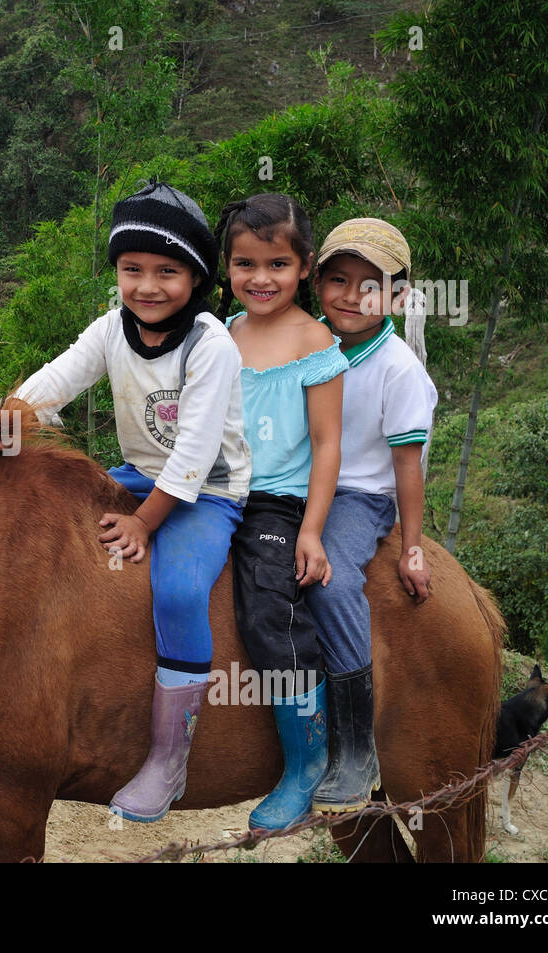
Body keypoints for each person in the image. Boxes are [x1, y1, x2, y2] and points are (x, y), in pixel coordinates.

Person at [0, 182, 250, 822]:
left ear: (198, 277)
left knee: (181, 591)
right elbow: (60, 377)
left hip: (205, 490)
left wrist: (144, 523)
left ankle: (168, 758)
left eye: (167, 271)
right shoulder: (113, 327)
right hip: (137, 471)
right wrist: (9, 416)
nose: (147, 287)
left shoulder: (212, 345)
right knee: (44, 508)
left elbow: (192, 454)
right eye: (132, 270)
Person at [215, 193, 347, 831]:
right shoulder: (224, 332)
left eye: (276, 264)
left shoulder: (313, 338)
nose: (259, 279)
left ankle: (306, 763)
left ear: (304, 267)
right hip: (215, 486)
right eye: (244, 264)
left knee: (271, 608)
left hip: (276, 500)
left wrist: (313, 531)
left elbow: (327, 446)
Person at [306, 218, 438, 813]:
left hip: (359, 495)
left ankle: (356, 744)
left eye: (371, 285)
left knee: (330, 581)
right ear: (317, 283)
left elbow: (407, 465)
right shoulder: (308, 344)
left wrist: (412, 546)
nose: (352, 295)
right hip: (297, 485)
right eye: (339, 279)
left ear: (398, 298)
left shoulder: (399, 369)